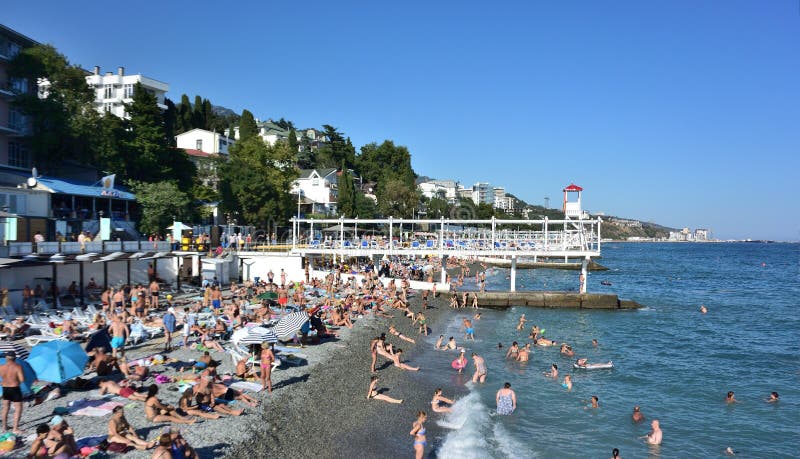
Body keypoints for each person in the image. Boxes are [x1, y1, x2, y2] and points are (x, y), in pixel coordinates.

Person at [0, 352, 25, 434]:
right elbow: (22, 380)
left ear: (6, 358)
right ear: (15, 358)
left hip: (5, 388)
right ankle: (15, 429)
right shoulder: (18, 367)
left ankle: (4, 427)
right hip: (14, 388)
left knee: (5, 407)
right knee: (18, 408)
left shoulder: (1, 367)